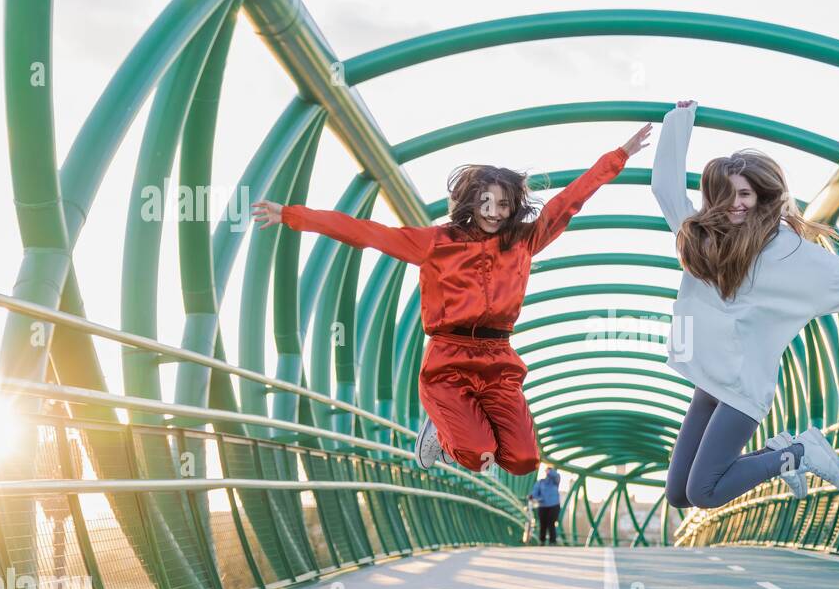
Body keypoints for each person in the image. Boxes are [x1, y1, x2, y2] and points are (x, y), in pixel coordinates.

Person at [252, 125, 651, 476]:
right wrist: (291, 215)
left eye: (503, 204)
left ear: (513, 205)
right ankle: (445, 437)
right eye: (485, 203)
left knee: (525, 461)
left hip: (498, 360)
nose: (494, 212)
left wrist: (620, 156)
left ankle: (469, 433)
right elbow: (366, 232)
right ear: (471, 203)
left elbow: (569, 201)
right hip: (449, 361)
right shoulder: (436, 243)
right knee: (478, 456)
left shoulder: (524, 241)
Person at [651, 100, 839, 509]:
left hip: (742, 387)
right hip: (709, 379)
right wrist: (679, 121)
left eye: (745, 194)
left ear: (761, 195)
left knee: (704, 492)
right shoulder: (701, 237)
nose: (737, 203)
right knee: (678, 494)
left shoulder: (785, 250)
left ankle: (800, 454)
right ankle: (787, 451)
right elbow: (665, 188)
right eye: (727, 194)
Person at [527, 466, 562, 545]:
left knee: (551, 523)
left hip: (554, 505)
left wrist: (551, 471)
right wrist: (532, 496)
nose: (547, 472)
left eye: (549, 471)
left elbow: (556, 476)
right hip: (543, 505)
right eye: (547, 470)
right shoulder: (541, 482)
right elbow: (535, 492)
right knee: (543, 523)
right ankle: (542, 541)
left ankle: (552, 541)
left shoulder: (555, 481)